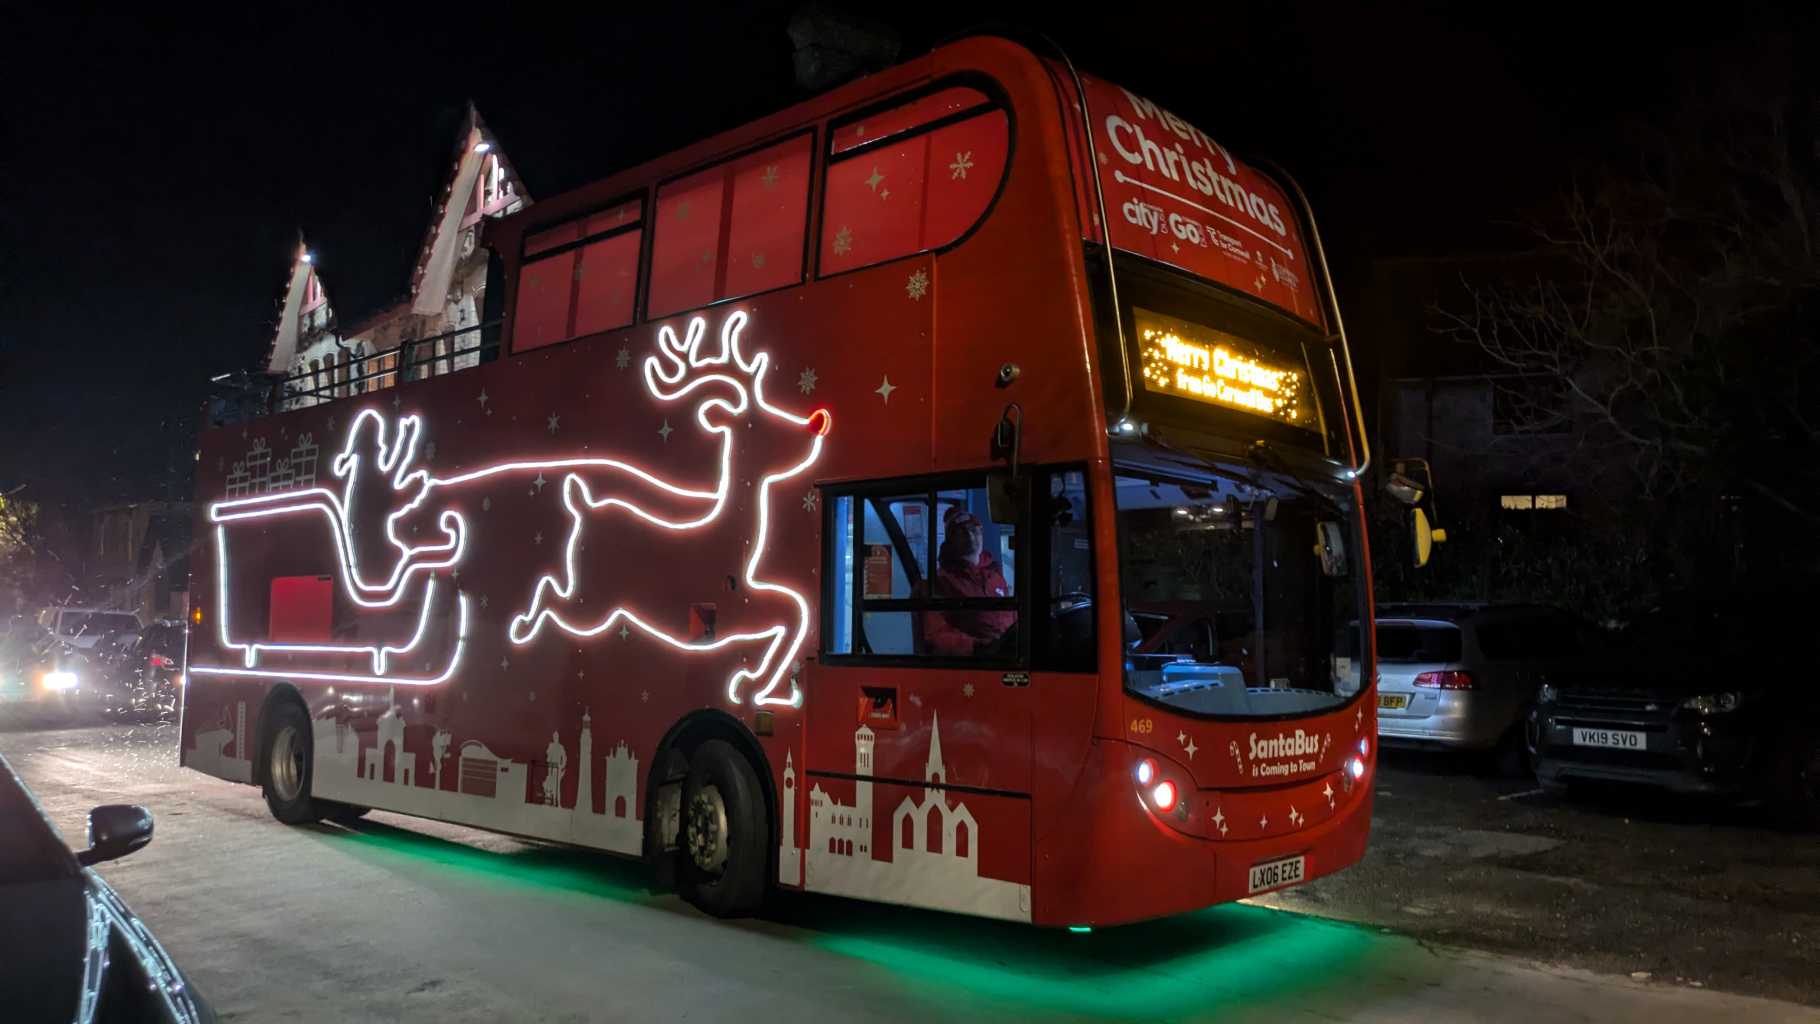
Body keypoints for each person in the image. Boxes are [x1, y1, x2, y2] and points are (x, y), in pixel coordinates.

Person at [923, 508, 1015, 655]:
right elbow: (936, 634)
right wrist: (977, 647)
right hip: (975, 664)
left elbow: (1012, 615)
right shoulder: (940, 582)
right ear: (950, 541)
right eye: (961, 532)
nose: (970, 535)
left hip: (1008, 658)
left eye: (974, 530)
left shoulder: (995, 576)